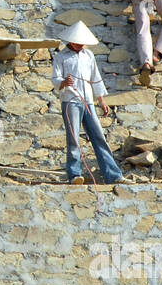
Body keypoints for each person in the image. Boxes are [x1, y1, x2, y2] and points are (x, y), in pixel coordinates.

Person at [51, 21, 124, 185]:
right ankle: (75, 174)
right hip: (71, 101)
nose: (80, 44)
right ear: (70, 40)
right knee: (73, 139)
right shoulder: (61, 57)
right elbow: (55, 79)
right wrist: (64, 82)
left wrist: (101, 100)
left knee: (99, 137)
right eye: (78, 41)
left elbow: (95, 78)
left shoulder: (88, 55)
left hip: (88, 101)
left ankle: (113, 175)